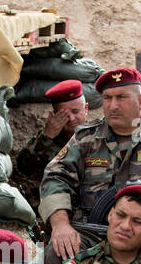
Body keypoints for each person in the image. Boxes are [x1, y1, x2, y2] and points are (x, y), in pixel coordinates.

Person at [39, 66, 141, 264]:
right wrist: (60, 225)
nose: (113, 106)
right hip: (92, 236)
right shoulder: (86, 138)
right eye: (107, 98)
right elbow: (55, 178)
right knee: (58, 253)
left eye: (121, 97)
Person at [13, 79, 90, 210]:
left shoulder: (99, 136)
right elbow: (23, 167)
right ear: (54, 115)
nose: (71, 119)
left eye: (75, 112)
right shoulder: (48, 140)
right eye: (64, 114)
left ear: (86, 109)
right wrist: (47, 136)